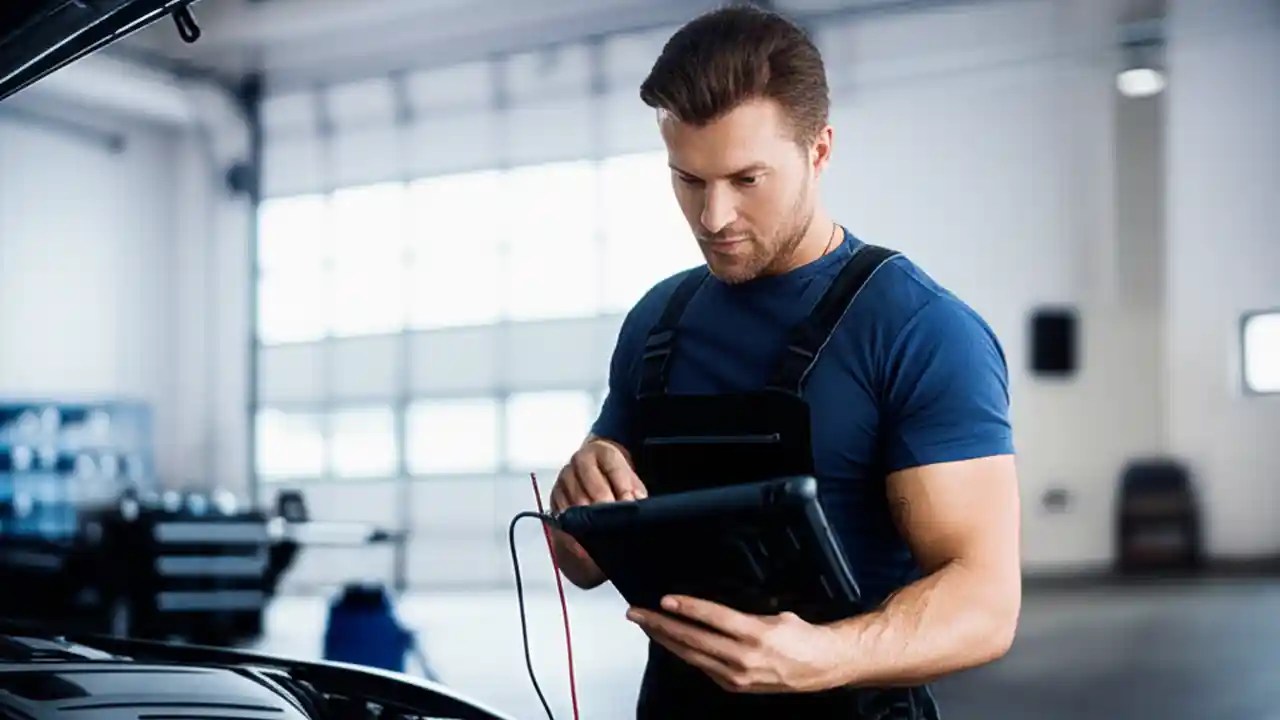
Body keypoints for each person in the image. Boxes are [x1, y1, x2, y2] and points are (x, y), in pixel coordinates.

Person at [548, 6, 1021, 719]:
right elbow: (582, 564)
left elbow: (985, 603)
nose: (712, 217)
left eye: (746, 180)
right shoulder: (658, 321)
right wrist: (576, 499)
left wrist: (825, 656)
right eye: (687, 180)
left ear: (820, 150)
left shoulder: (918, 329)